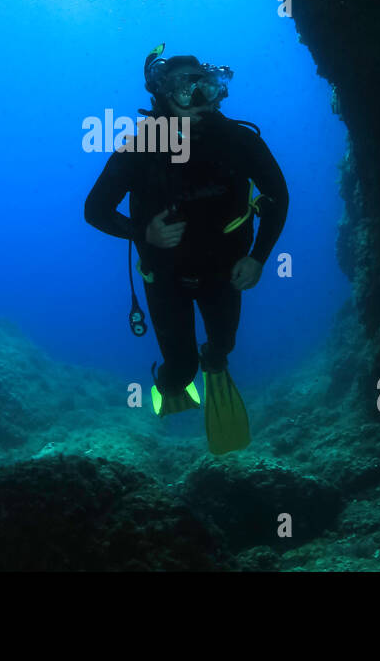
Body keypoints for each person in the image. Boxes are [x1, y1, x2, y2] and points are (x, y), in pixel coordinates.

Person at [84, 44, 289, 454]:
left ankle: (215, 362)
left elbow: (278, 197)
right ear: (160, 94)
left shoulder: (238, 141)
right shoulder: (139, 149)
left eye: (206, 88)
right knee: (180, 368)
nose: (198, 100)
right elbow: (95, 210)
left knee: (223, 346)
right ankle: (171, 383)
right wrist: (144, 232)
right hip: (166, 276)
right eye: (184, 90)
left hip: (226, 270)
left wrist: (259, 258)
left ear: (218, 91)